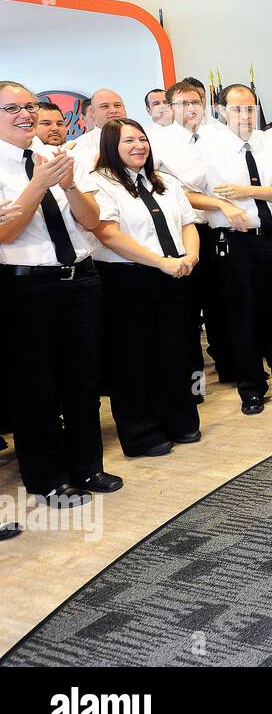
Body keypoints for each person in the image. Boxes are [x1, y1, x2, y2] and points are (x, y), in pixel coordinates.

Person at [0, 80, 120, 507]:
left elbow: (90, 220)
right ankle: (48, 476)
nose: (25, 114)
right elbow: (7, 232)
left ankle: (88, 465)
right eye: (12, 107)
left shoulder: (58, 155)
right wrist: (37, 185)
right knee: (37, 386)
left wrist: (68, 185)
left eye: (29, 106)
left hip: (81, 278)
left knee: (83, 378)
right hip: (27, 286)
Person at [185, 84, 272, 415]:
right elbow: (184, 193)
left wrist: (245, 191)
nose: (245, 115)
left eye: (250, 109)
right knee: (244, 317)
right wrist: (221, 204)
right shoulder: (207, 148)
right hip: (236, 242)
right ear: (223, 111)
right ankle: (252, 387)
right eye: (238, 109)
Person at [85, 119, 201, 458]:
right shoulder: (99, 184)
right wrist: (159, 261)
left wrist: (190, 256)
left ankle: (180, 421)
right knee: (133, 359)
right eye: (128, 141)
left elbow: (187, 223)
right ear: (110, 147)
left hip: (176, 273)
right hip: (128, 279)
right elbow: (108, 234)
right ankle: (142, 434)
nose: (139, 146)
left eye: (142, 139)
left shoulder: (163, 181)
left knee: (176, 352)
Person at [154, 80, 230, 384]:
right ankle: (194, 383)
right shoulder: (159, 142)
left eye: (195, 102)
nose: (190, 109)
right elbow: (168, 190)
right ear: (171, 107)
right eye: (182, 103)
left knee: (223, 303)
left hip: (222, 229)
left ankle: (230, 366)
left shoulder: (220, 135)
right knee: (188, 312)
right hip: (187, 231)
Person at [67, 87, 127, 174]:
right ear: (92, 112)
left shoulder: (144, 138)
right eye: (105, 106)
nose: (113, 111)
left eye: (117, 105)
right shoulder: (78, 147)